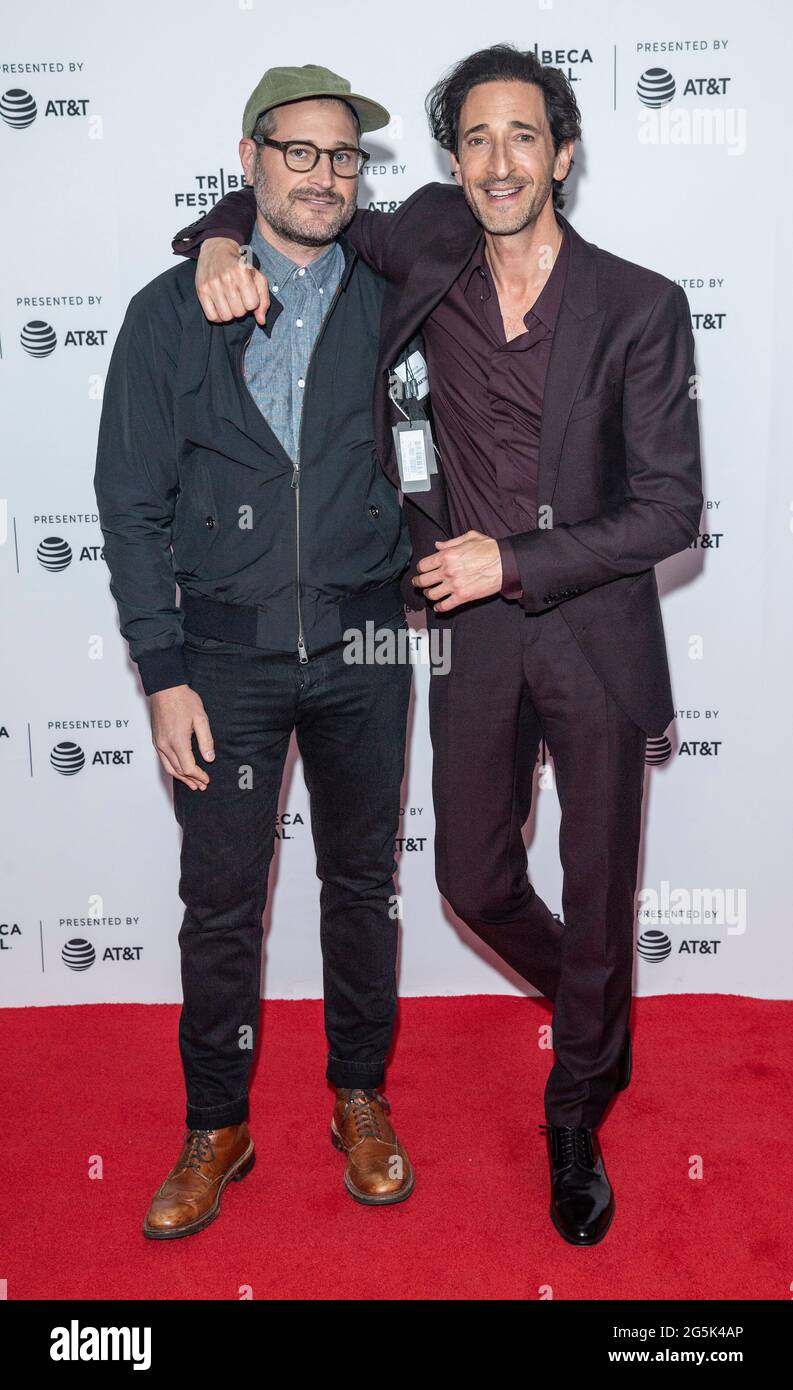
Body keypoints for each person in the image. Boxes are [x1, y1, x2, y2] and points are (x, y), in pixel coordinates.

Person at [171, 44, 703, 1246]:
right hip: (474, 643)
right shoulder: (422, 243)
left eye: (523, 136)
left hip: (595, 637)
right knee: (470, 878)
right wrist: (213, 239)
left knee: (597, 884)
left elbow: (669, 511)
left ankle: (576, 1110)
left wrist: (507, 559)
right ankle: (594, 993)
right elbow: (284, 193)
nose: (499, 161)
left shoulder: (641, 303)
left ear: (562, 154)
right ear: (452, 160)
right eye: (474, 138)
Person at [94, 65, 419, 1239]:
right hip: (219, 659)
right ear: (250, 159)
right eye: (300, 154)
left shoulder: (400, 289)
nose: (325, 177)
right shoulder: (169, 312)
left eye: (345, 158)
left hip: (367, 640)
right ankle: (217, 1124)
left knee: (363, 885)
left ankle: (359, 1097)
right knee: (220, 902)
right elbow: (128, 502)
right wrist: (160, 666)